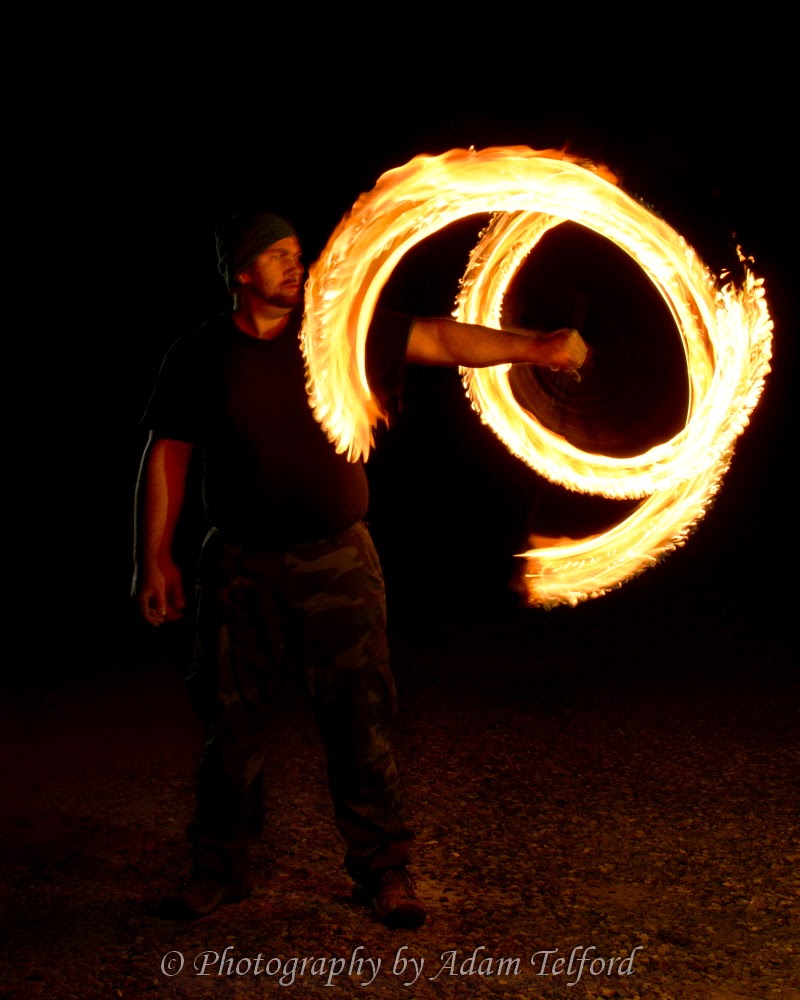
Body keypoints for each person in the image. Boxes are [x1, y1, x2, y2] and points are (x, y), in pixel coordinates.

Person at [131, 208, 588, 929]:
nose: (295, 262)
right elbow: (168, 456)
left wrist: (532, 347)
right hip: (239, 563)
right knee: (231, 723)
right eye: (275, 254)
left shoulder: (341, 328)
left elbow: (437, 335)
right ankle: (217, 868)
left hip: (337, 557)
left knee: (360, 719)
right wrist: (153, 556)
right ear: (241, 272)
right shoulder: (200, 355)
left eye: (295, 250)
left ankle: (384, 872)